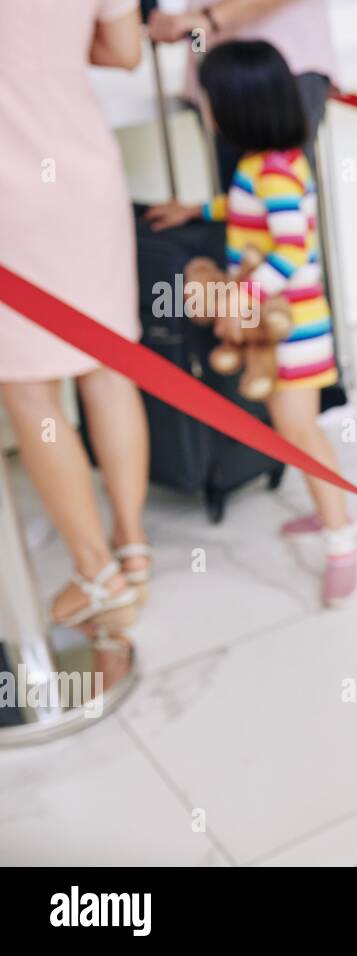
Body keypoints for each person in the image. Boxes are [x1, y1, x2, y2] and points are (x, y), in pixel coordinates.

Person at [146, 41, 357, 607]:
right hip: (280, 325)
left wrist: (241, 297)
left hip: (295, 329)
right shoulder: (264, 165)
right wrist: (199, 210)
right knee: (296, 427)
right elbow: (244, 209)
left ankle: (342, 540)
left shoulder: (274, 174)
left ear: (238, 106)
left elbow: (291, 248)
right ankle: (328, 507)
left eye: (208, 99)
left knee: (300, 431)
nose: (203, 108)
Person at [0, 0, 152, 630]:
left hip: (10, 196)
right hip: (84, 175)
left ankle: (97, 573)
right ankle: (131, 547)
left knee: (30, 389)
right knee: (108, 367)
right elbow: (125, 51)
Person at [145, 0, 336, 188]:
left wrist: (209, 18)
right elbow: (199, 33)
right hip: (212, 66)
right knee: (241, 189)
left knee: (277, 182)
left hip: (276, 68)